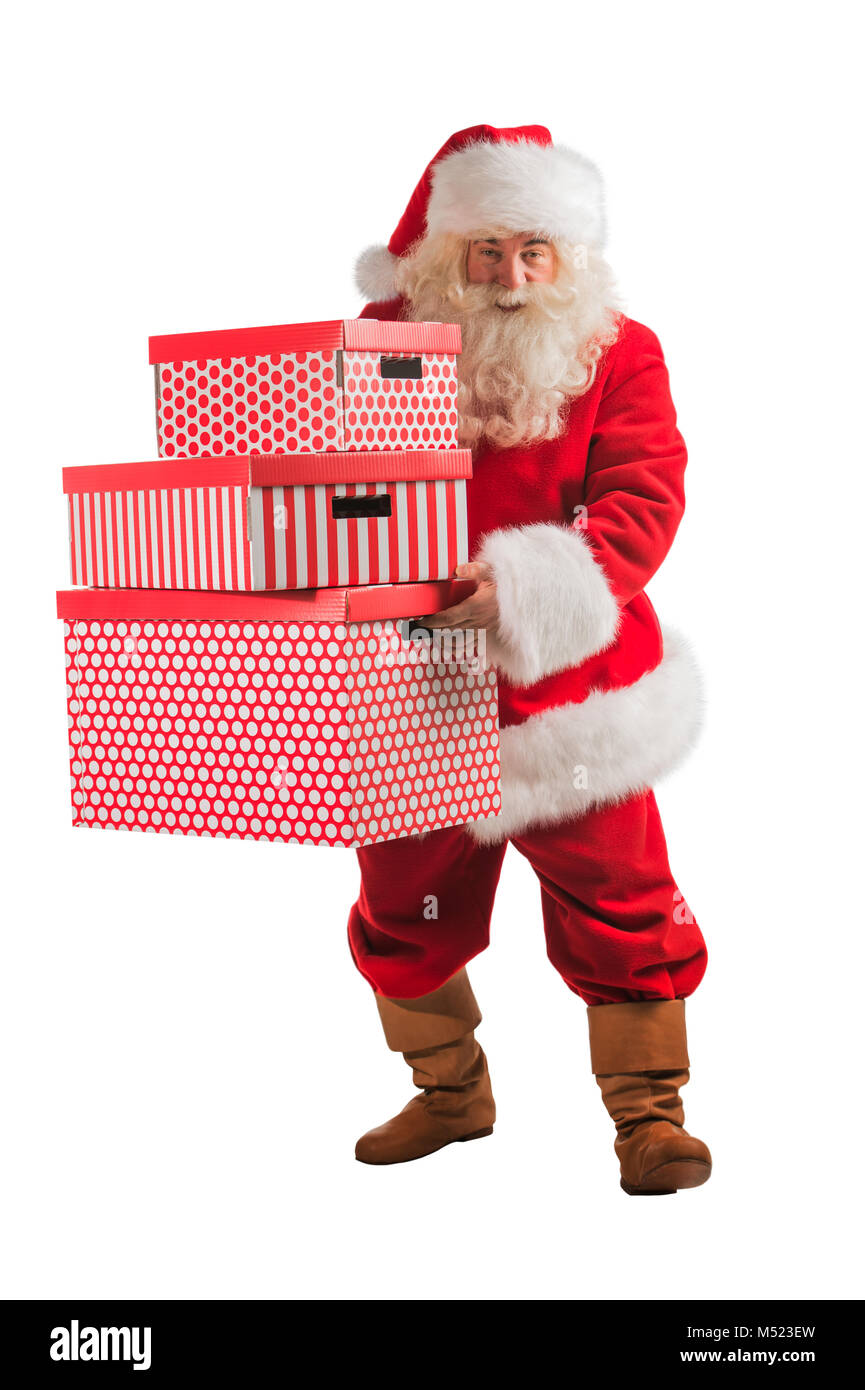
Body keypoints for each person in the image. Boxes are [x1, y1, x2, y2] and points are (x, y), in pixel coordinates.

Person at [347, 124, 711, 1196]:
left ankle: (648, 1115)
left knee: (621, 894)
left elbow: (645, 499)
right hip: (412, 687)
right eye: (487, 251)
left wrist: (519, 590)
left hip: (571, 691)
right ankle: (449, 1089)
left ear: (568, 259)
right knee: (400, 902)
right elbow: (330, 492)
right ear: (443, 255)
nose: (510, 278)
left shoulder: (620, 351)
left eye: (533, 253)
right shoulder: (380, 341)